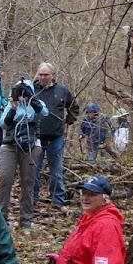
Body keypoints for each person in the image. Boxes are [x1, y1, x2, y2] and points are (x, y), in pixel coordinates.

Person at [0, 78, 48, 230]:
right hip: (10, 145)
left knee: (28, 182)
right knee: (5, 178)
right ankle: (1, 218)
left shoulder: (36, 104)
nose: (22, 94)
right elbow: (3, 124)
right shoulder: (10, 104)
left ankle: (26, 220)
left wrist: (31, 99)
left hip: (31, 146)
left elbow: (44, 113)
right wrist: (13, 107)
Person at [32, 63, 78, 207]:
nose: (42, 77)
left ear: (53, 75)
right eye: (40, 74)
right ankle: (32, 198)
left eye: (46, 75)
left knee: (56, 171)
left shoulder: (62, 91)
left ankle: (57, 199)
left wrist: (68, 121)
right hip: (35, 137)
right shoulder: (31, 90)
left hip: (56, 137)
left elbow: (74, 108)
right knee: (33, 170)